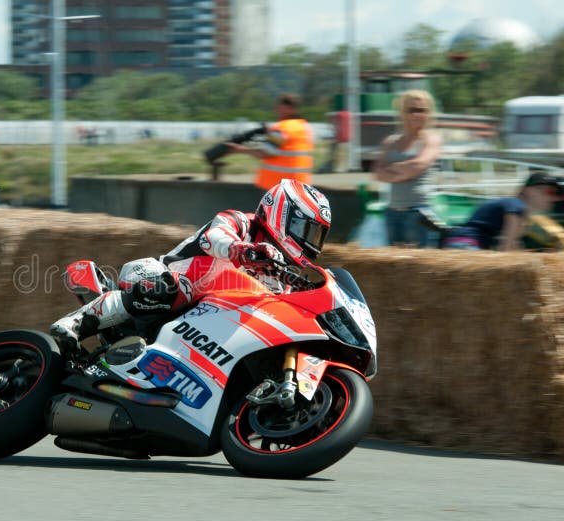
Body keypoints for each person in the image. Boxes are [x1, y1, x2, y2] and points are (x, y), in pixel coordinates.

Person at [50, 180, 332, 356]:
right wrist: (242, 250)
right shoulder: (241, 223)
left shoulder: (281, 275)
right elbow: (214, 238)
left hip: (203, 324)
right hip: (158, 277)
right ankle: (73, 325)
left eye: (317, 235)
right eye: (306, 230)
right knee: (182, 284)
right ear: (282, 213)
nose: (310, 241)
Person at [373, 89, 442, 247]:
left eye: (422, 110)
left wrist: (391, 169)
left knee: (421, 266)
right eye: (412, 110)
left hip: (419, 213)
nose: (416, 115)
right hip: (392, 212)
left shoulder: (431, 139)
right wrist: (405, 172)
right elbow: (378, 173)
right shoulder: (391, 142)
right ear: (403, 113)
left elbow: (419, 165)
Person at [441, 172, 564, 251]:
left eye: (558, 194)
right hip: (465, 245)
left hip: (462, 243)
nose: (554, 198)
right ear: (528, 191)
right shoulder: (515, 205)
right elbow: (507, 246)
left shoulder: (519, 211)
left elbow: (512, 247)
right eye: (550, 192)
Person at [226, 93, 315, 190]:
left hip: (278, 190)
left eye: (279, 107)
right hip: (300, 188)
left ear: (289, 108)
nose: (276, 110)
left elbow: (264, 153)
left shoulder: (283, 128)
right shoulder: (304, 127)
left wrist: (239, 150)